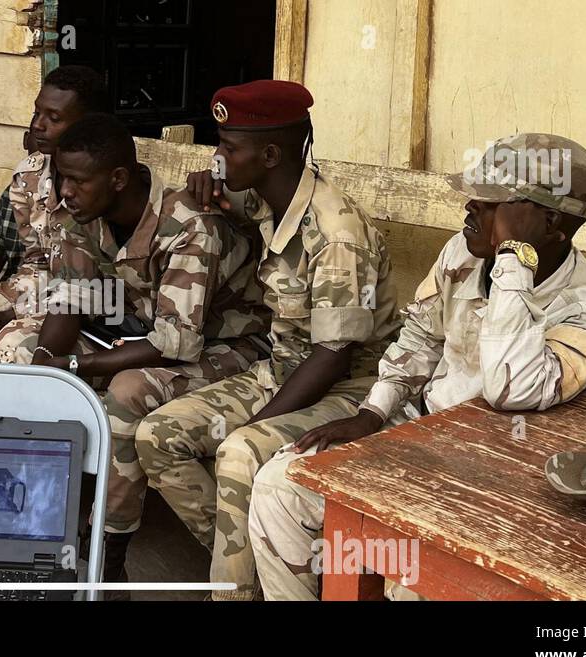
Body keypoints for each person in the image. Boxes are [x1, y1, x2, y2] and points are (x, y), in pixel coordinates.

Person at [248, 133, 586, 600]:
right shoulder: (462, 253)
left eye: (490, 202)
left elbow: (511, 391)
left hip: (497, 472)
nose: (470, 207)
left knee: (407, 580)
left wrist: (514, 257)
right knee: (278, 485)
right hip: (421, 431)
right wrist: (374, 413)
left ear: (546, 222)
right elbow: (421, 338)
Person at [134, 80, 400, 600]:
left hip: (346, 390)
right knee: (157, 436)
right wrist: (202, 179)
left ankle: (232, 591)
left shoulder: (337, 232)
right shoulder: (263, 194)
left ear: (271, 154)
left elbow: (334, 354)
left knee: (241, 451)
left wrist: (263, 423)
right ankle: (250, 569)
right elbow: (213, 182)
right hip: (280, 370)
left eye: (229, 148)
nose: (219, 157)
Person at [0, 113, 269, 590]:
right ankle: (34, 514)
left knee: (127, 391)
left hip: (228, 347)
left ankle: (107, 551)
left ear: (118, 179)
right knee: (18, 351)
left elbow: (175, 343)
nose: (65, 192)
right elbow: (69, 301)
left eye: (78, 181)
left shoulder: (189, 224)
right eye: (62, 179)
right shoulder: (82, 212)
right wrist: (43, 371)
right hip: (140, 332)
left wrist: (79, 365)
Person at [0, 66, 107, 357]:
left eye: (53, 118)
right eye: (36, 112)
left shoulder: (101, 189)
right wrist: (1, 306)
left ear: (87, 125)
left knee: (10, 348)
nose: (38, 125)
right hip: (40, 291)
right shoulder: (29, 174)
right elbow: (38, 263)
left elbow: (89, 287)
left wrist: (8, 313)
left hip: (91, 309)